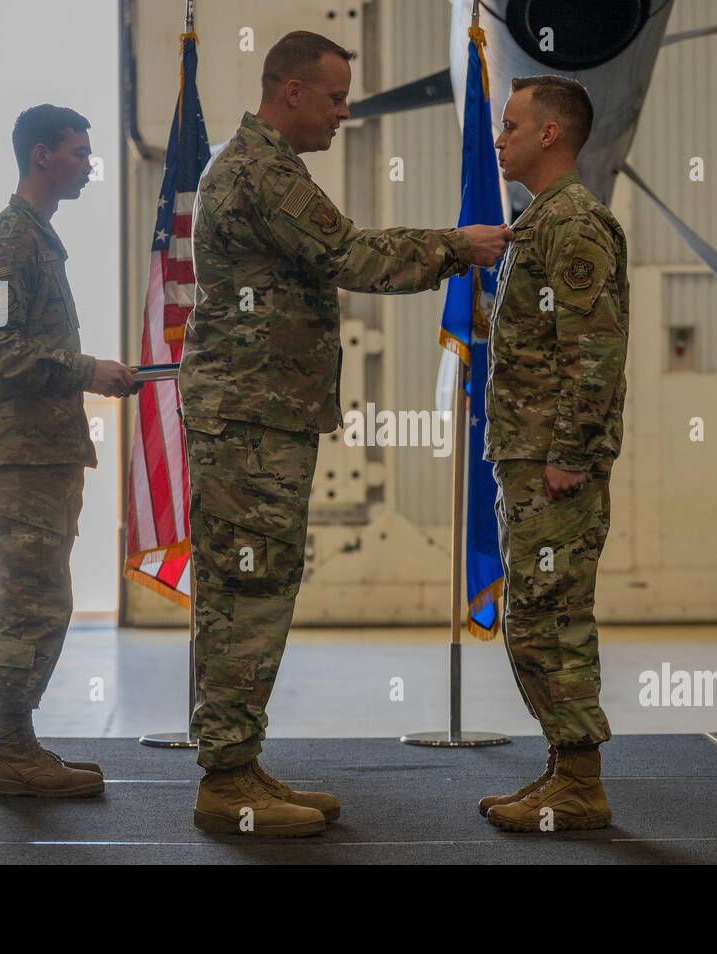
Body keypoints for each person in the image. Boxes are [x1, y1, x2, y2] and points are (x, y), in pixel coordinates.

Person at [180, 30, 513, 836]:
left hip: (261, 416)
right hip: (251, 421)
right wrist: (455, 247)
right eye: (333, 98)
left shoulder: (261, 164)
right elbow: (350, 254)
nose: (343, 114)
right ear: (289, 91)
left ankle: (238, 761)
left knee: (248, 590)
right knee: (247, 592)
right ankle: (227, 785)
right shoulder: (260, 170)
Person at [0, 104, 138, 797]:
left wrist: (90, 374)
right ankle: (10, 753)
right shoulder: (7, 243)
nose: (89, 164)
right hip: (19, 450)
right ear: (41, 156)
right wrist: (88, 370)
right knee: (30, 599)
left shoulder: (35, 239)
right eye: (78, 152)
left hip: (43, 448)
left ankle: (20, 744)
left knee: (44, 596)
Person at [478, 75, 630, 832]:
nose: (498, 137)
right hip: (528, 455)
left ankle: (581, 783)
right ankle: (564, 768)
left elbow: (593, 353)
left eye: (511, 125)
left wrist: (569, 452)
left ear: (549, 135)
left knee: (553, 617)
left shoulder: (573, 224)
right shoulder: (539, 222)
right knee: (535, 618)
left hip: (554, 464)